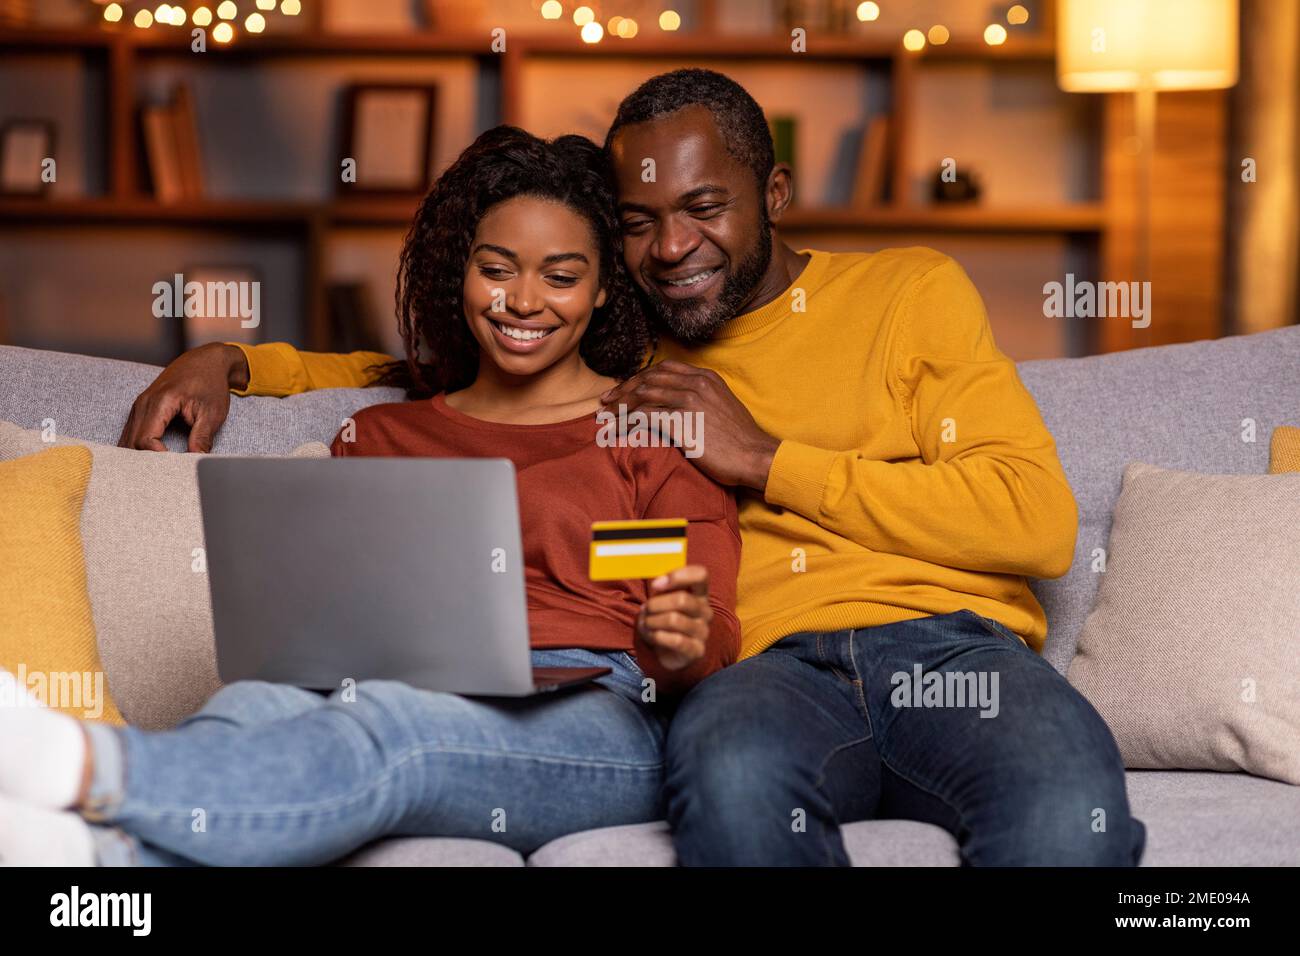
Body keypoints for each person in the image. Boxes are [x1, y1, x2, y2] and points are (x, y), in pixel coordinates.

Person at [114, 69, 1145, 867]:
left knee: (1066, 813)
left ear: (774, 192)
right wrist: (234, 359)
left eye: (705, 207)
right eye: (641, 222)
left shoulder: (907, 293)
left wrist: (766, 459)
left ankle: (95, 785)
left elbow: (1036, 522)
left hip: (950, 646)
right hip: (766, 672)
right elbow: (445, 373)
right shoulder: (630, 335)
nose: (672, 248)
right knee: (733, 788)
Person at [0, 127, 740, 866]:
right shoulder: (382, 432)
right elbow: (331, 611)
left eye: (560, 276)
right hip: (397, 680)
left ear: (603, 287)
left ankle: (81, 763)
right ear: (461, 272)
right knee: (253, 706)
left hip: (599, 710)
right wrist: (222, 357)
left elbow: (709, 631)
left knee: (391, 721)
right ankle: (93, 858)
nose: (521, 301)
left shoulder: (649, 432)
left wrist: (673, 644)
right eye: (496, 269)